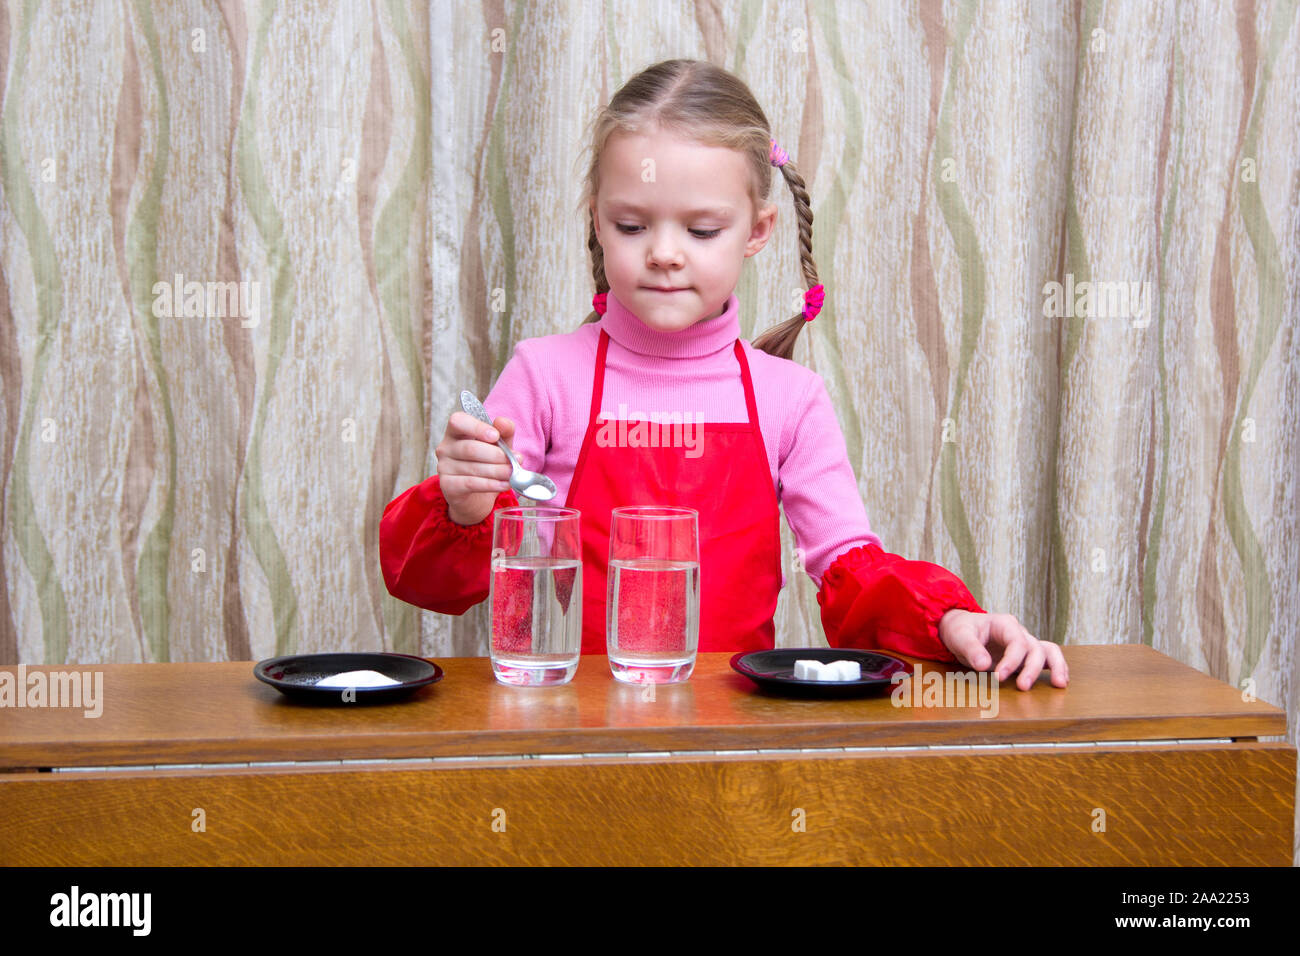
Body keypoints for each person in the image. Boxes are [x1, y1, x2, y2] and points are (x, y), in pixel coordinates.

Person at [381, 58, 1068, 691]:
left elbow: (850, 571)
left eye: (702, 230)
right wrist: (463, 506)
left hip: (732, 746)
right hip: (568, 738)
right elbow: (434, 585)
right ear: (596, 220)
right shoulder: (544, 376)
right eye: (630, 225)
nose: (664, 255)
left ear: (758, 229)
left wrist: (947, 621)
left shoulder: (788, 399)